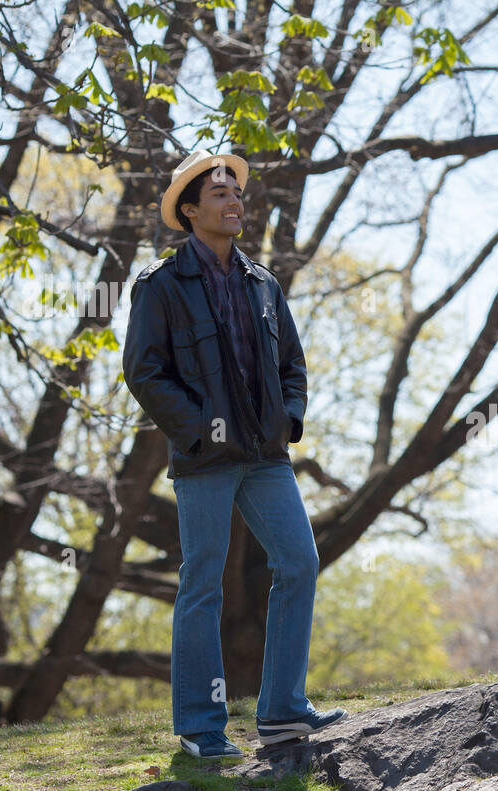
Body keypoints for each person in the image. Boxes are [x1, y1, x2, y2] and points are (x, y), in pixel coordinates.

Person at [122, 149, 346, 759]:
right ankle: (201, 727)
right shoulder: (160, 286)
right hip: (204, 458)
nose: (233, 200)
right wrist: (199, 429)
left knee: (299, 562)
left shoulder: (263, 284)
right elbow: (143, 372)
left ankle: (283, 712)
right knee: (203, 583)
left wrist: (288, 417)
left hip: (267, 456)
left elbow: (292, 364)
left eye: (236, 190)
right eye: (218, 194)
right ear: (190, 211)